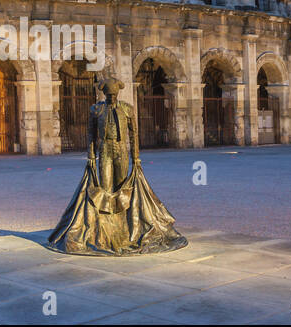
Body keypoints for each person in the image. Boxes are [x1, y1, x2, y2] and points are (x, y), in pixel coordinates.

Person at [47, 77, 187, 255]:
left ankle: (123, 225)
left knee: (122, 186)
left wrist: (136, 157)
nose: (112, 97)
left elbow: (134, 134)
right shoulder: (96, 109)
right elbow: (91, 133)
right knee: (105, 186)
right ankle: (104, 226)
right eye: (109, 95)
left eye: (114, 94)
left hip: (121, 149)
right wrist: (90, 154)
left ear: (118, 93)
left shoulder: (127, 108)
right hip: (105, 148)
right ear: (104, 94)